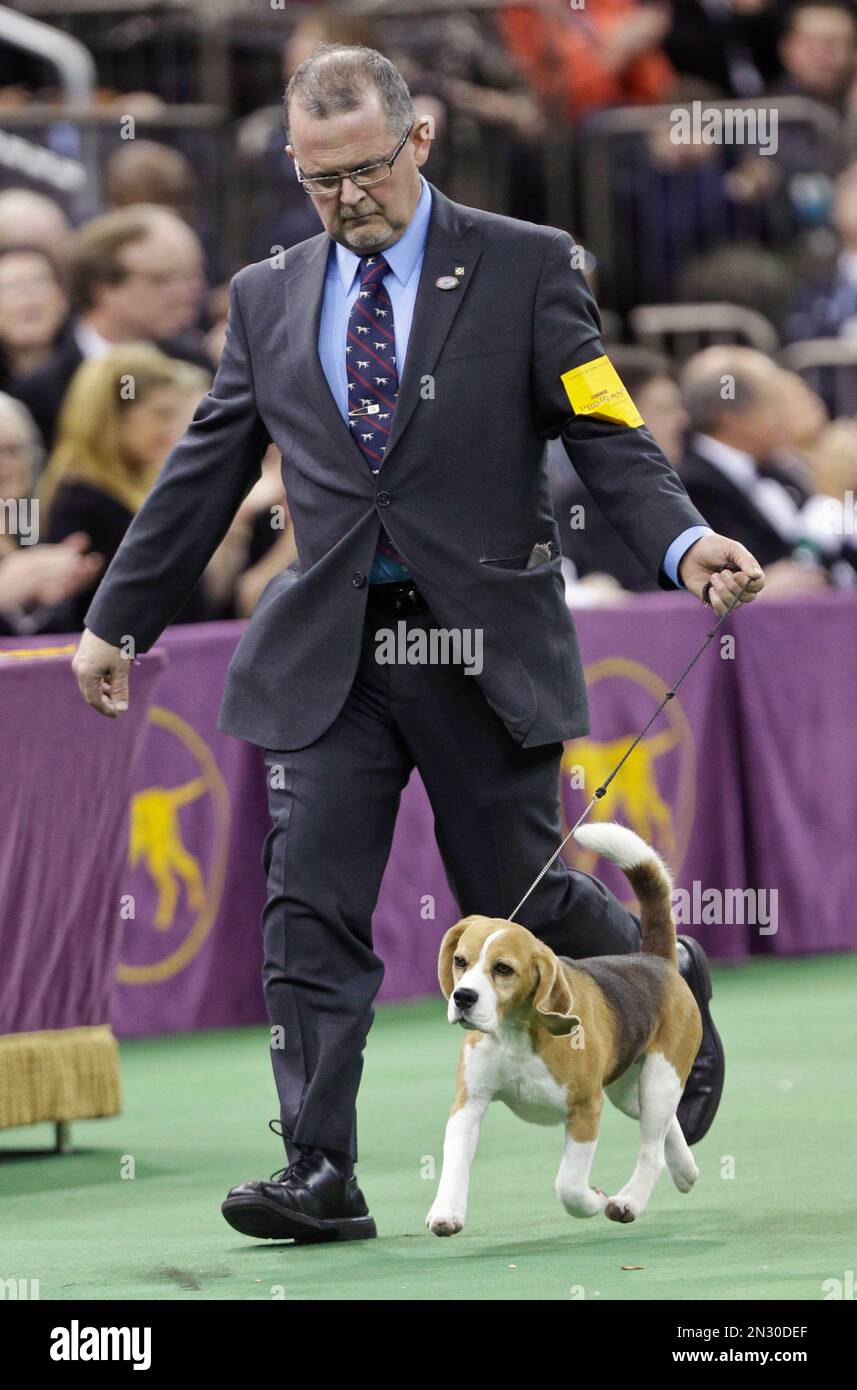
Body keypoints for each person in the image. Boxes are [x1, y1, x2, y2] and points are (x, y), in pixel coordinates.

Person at [72, 44, 764, 1245]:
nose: (347, 196)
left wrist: (685, 543)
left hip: (477, 644)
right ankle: (319, 1169)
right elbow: (202, 469)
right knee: (307, 909)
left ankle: (664, 993)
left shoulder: (529, 265)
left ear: (421, 140)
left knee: (521, 897)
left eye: (367, 169)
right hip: (327, 653)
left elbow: (607, 436)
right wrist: (116, 617)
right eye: (317, 175)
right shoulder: (265, 294)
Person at [38, 345, 214, 631]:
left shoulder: (141, 489)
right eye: (161, 415)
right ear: (113, 418)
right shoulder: (83, 503)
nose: (173, 430)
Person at [10, 204, 211, 453]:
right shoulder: (39, 391)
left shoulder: (198, 366)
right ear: (103, 287)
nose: (184, 294)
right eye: (162, 279)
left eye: (192, 277)